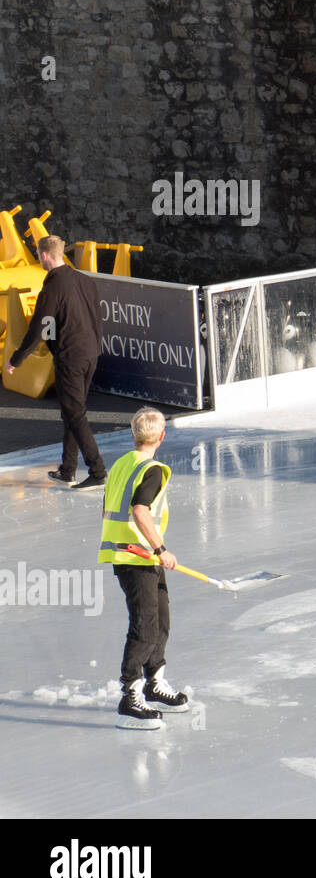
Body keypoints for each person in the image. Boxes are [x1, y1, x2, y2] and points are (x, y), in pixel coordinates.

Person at [98, 407, 189, 730]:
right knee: (145, 624)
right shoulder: (151, 469)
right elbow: (139, 510)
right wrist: (160, 548)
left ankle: (154, 681)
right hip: (137, 556)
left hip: (137, 555)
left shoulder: (123, 463)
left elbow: (108, 507)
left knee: (161, 618)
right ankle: (130, 693)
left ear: (133, 434)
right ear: (161, 436)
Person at [3, 235, 107, 489]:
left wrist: (16, 359)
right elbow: (97, 317)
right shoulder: (85, 280)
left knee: (75, 413)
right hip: (90, 353)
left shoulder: (52, 288)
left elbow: (38, 328)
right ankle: (68, 469)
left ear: (44, 255)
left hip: (70, 357)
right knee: (71, 412)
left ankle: (98, 471)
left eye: (38, 255)